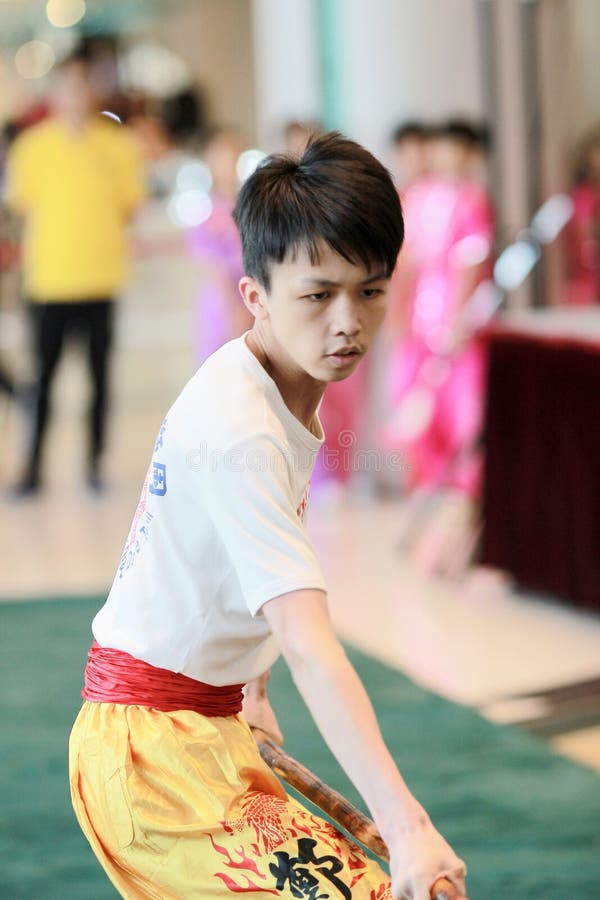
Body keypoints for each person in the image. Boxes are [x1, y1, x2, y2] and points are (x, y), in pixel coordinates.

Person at [69, 132, 467, 900]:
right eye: (318, 296)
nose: (347, 321)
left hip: (195, 723)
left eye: (371, 291)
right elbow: (310, 643)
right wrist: (408, 827)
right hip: (150, 754)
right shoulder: (240, 428)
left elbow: (225, 563)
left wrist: (250, 690)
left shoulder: (269, 386)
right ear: (256, 295)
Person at [4, 54, 145, 495]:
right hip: (49, 282)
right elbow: (21, 207)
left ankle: (95, 464)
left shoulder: (118, 145)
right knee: (41, 380)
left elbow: (128, 206)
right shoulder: (32, 146)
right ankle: (32, 467)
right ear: (54, 93)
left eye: (82, 86)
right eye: (66, 86)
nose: (74, 95)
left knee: (99, 379)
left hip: (100, 278)